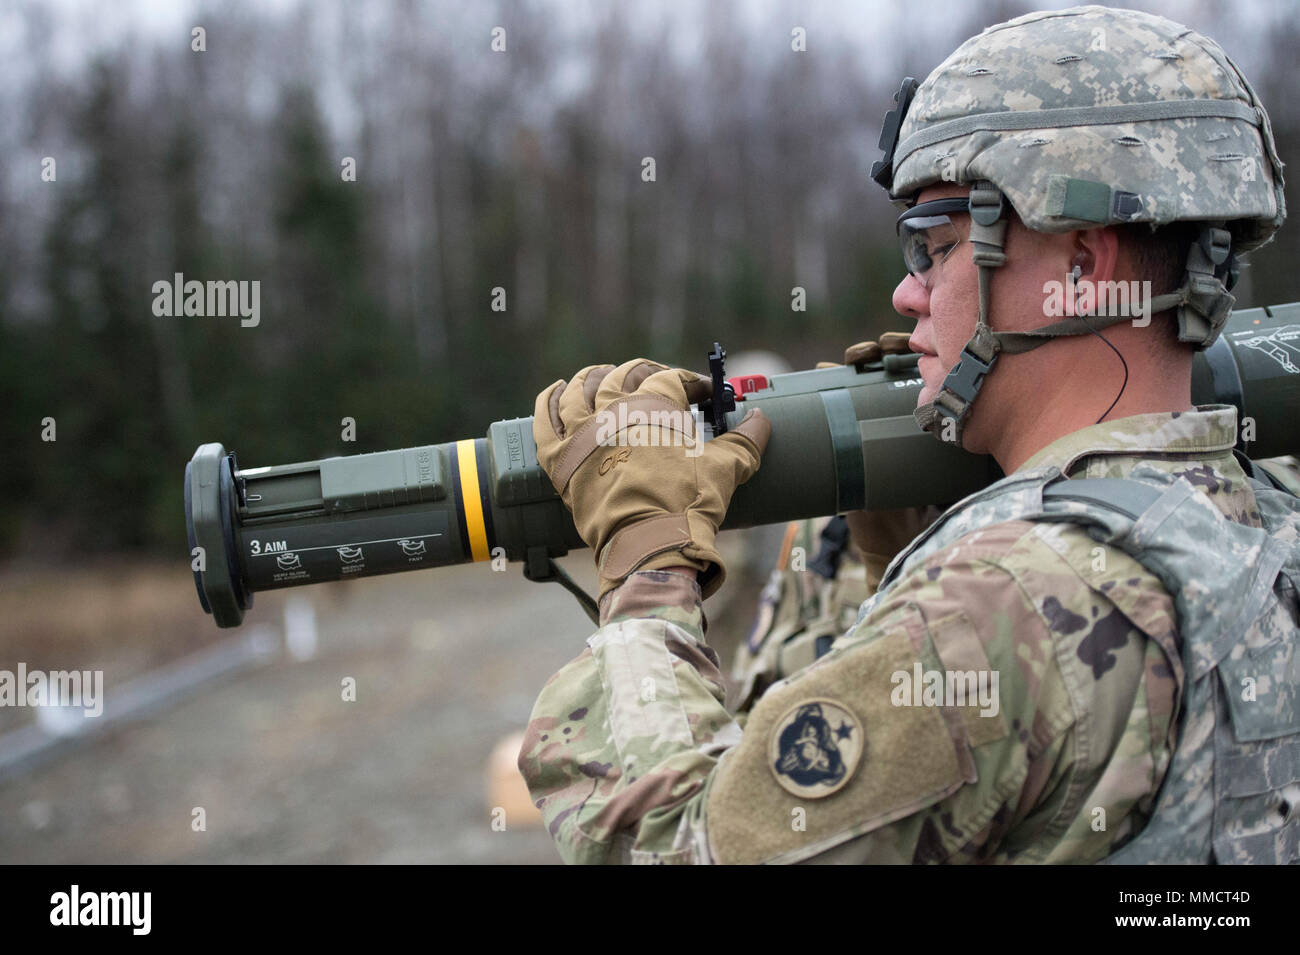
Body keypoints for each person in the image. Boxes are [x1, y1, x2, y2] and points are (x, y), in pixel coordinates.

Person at [518, 6, 1297, 864]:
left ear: (1081, 264)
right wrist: (887, 571)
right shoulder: (1267, 521)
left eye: (936, 243)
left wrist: (646, 562)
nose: (907, 292)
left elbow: (676, 845)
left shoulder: (1004, 605)